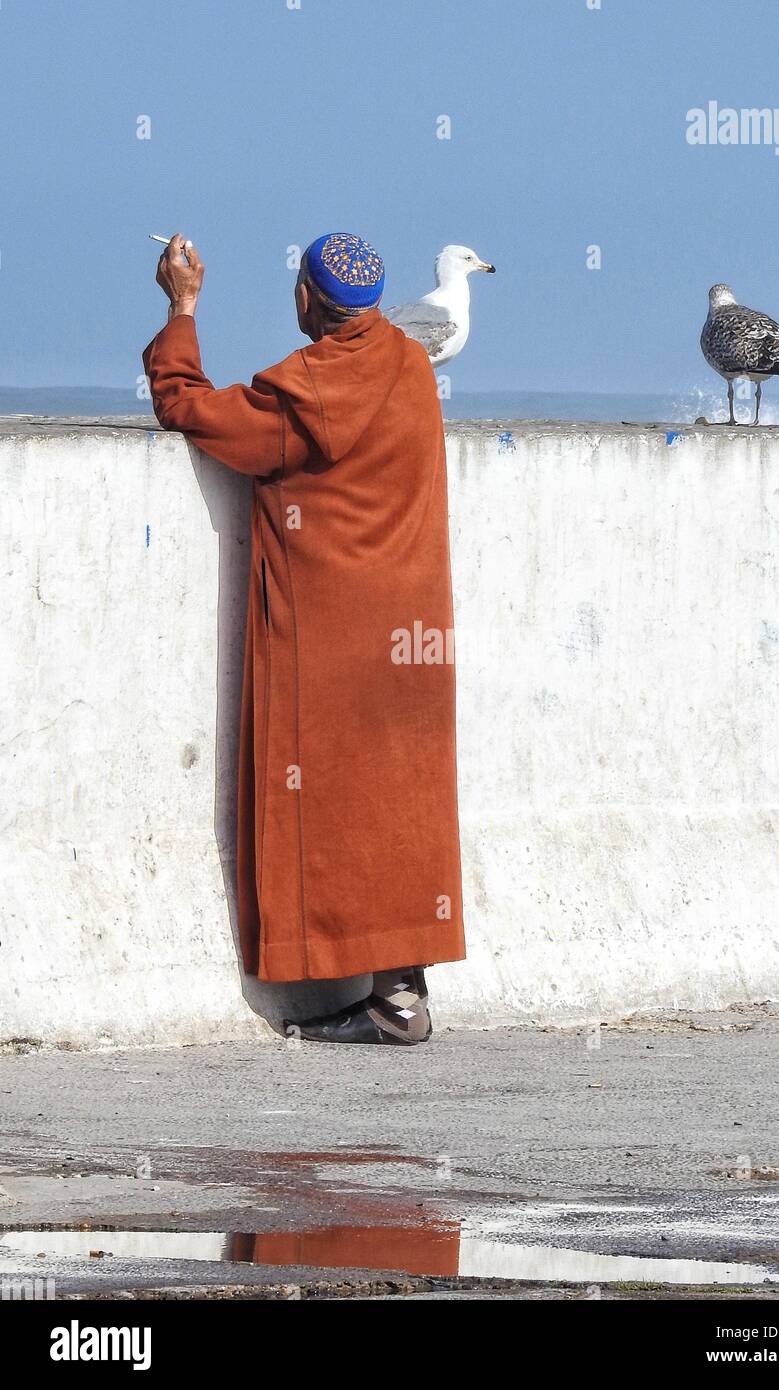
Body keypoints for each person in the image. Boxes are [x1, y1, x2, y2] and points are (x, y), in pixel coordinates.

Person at [143, 232, 465, 1045]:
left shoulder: (307, 390)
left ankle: (387, 1004)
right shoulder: (411, 370)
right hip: (412, 624)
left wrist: (182, 307)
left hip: (328, 626)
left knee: (329, 799)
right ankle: (400, 989)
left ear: (304, 301)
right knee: (398, 802)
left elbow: (188, 408)